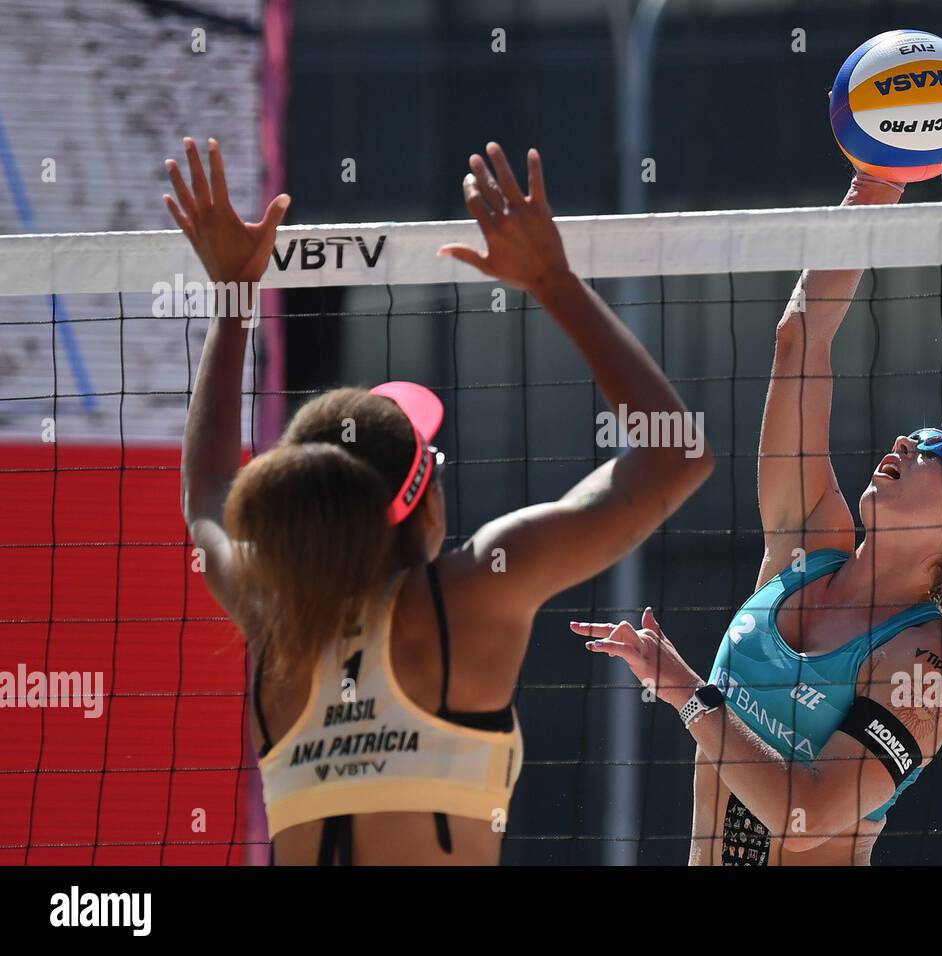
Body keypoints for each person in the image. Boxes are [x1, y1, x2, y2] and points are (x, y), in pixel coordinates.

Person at [167, 137, 713, 864]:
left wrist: (233, 293)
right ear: (426, 504)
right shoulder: (471, 593)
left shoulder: (275, 616)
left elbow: (206, 496)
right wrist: (552, 282)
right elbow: (677, 454)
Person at [576, 171, 942, 865]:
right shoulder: (808, 543)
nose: (907, 442)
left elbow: (804, 816)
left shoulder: (927, 661)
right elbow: (799, 339)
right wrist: (869, 190)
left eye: (938, 450)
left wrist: (688, 694)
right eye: (916, 432)